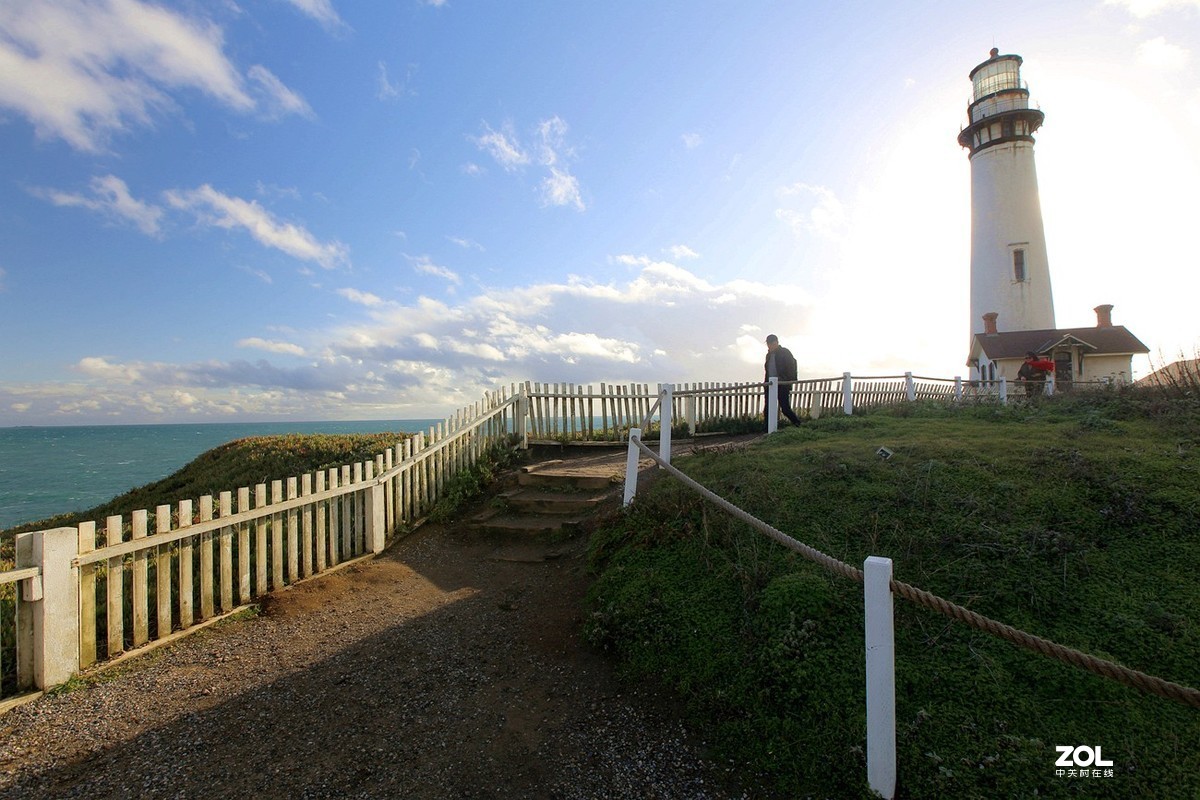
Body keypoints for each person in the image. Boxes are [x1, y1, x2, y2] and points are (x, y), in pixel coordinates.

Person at [763, 334, 802, 427]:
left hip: (782, 384)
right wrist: (765, 384)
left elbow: (791, 367)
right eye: (768, 344)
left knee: (785, 408)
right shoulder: (768, 355)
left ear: (776, 342)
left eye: (770, 343)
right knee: (768, 408)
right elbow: (767, 371)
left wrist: (789, 381)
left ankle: (797, 423)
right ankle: (767, 429)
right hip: (770, 385)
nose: (769, 346)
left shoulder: (785, 353)